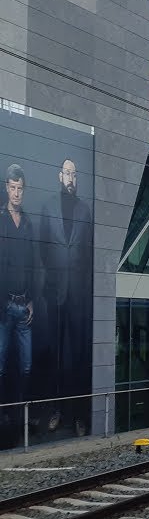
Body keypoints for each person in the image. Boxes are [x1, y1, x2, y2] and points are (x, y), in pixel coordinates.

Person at [39, 159, 93, 436]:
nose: (71, 178)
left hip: (79, 296)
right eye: (67, 173)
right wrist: (53, 277)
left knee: (80, 357)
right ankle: (56, 411)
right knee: (56, 356)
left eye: (74, 173)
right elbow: (43, 248)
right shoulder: (48, 207)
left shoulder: (84, 210)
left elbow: (88, 251)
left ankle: (80, 416)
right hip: (55, 293)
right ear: (60, 176)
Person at [0, 164, 39, 446]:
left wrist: (33, 300)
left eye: (20, 189)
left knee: (26, 367)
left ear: (24, 190)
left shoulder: (28, 223)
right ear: (6, 188)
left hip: (24, 306)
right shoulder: (0, 219)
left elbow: (34, 264)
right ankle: (2, 416)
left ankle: (20, 418)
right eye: (12, 187)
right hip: (4, 307)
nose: (16, 193)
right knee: (0, 367)